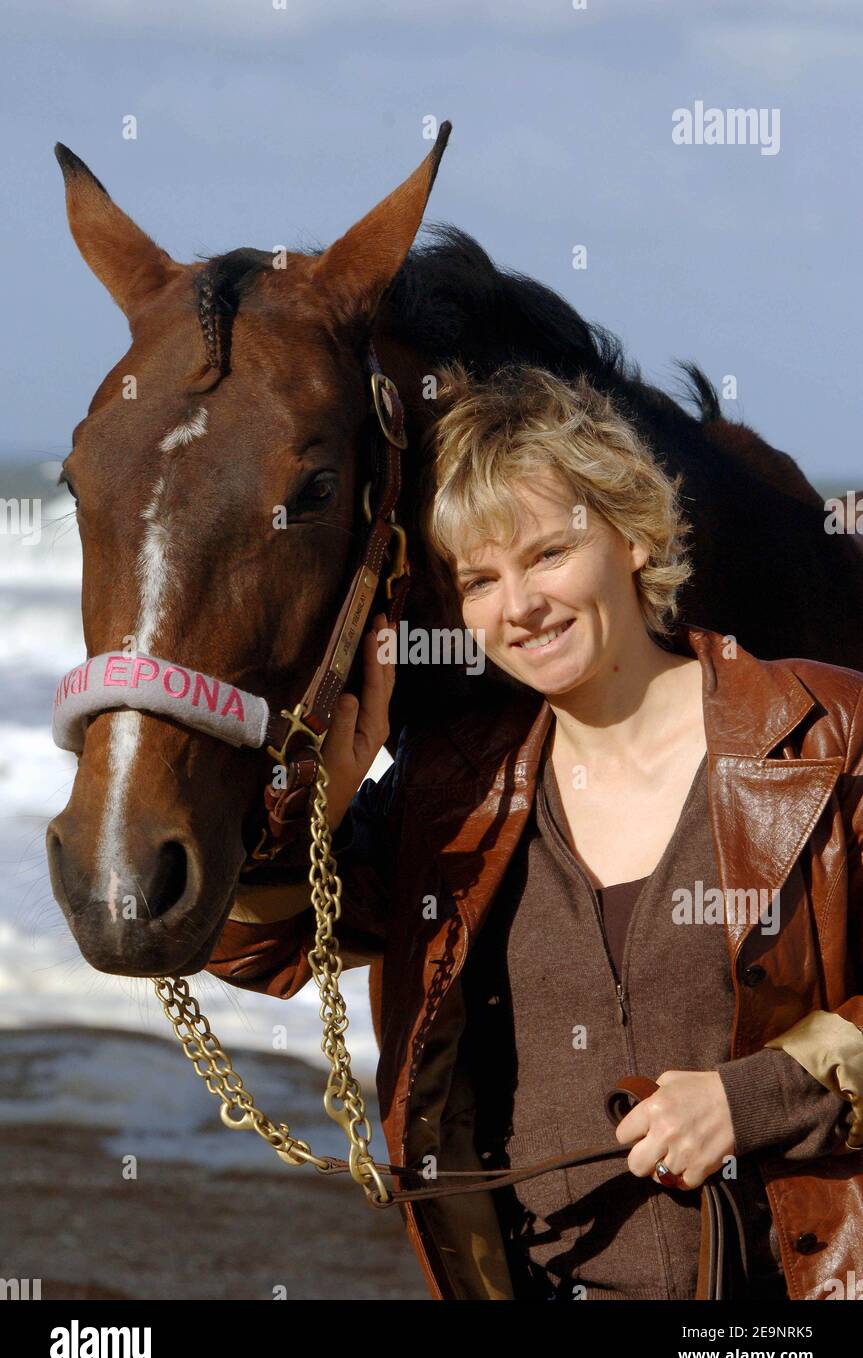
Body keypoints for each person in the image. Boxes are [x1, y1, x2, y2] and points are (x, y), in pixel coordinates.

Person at [206, 364, 863, 1301]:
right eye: (480, 578)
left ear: (633, 535)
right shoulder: (454, 790)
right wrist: (314, 804)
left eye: (548, 553)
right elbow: (251, 944)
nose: (517, 606)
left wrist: (752, 1098)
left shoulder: (824, 733)